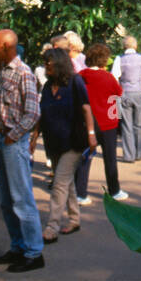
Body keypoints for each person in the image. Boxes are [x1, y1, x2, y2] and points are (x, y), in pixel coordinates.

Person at [0, 29, 45, 273]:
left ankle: (34, 252)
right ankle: (18, 246)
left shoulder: (24, 74)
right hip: (1, 140)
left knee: (22, 199)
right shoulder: (2, 70)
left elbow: (33, 113)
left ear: (6, 46)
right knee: (5, 200)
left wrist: (13, 136)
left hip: (14, 142)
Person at [30, 47, 97, 243]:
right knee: (67, 182)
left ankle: (52, 227)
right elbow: (41, 114)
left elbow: (86, 109)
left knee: (59, 182)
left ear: (58, 63)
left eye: (48, 63)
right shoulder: (47, 86)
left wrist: (91, 135)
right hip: (53, 142)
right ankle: (75, 219)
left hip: (73, 142)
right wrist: (34, 138)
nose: (45, 67)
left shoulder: (75, 82)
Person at [78, 43, 128, 202]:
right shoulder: (108, 77)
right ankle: (114, 190)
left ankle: (80, 193)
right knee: (110, 159)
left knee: (85, 158)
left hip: (87, 123)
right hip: (108, 123)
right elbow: (118, 95)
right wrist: (118, 119)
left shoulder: (80, 76)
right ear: (104, 60)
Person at [114, 35, 141, 162]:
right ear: (136, 46)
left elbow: (114, 77)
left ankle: (129, 155)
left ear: (124, 46)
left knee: (127, 125)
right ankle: (138, 153)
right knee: (139, 124)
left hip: (125, 93)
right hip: (140, 93)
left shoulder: (119, 59)